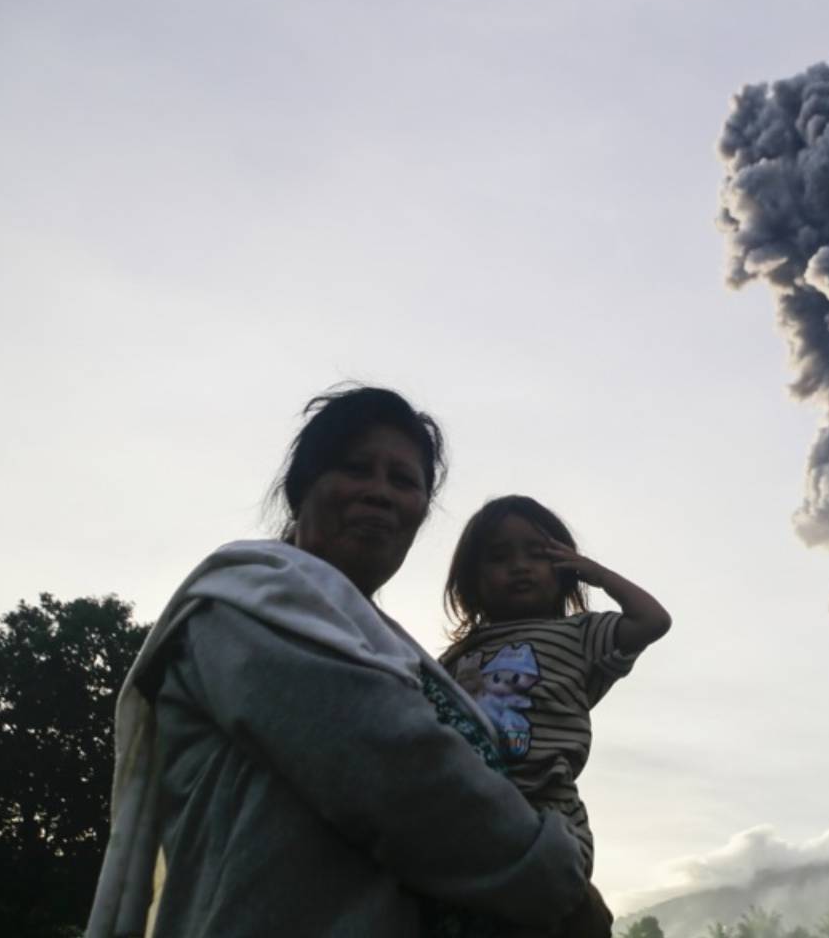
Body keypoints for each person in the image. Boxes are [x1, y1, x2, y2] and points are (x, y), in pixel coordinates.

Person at [87, 387, 609, 938]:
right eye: (357, 469)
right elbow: (398, 772)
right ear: (302, 487)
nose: (380, 493)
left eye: (403, 481)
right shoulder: (249, 600)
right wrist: (562, 890)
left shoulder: (398, 651)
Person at [440, 495, 673, 878]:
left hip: (547, 812)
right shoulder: (454, 657)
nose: (520, 567)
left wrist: (595, 573)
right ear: (471, 579)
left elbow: (652, 620)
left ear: (565, 569)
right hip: (468, 809)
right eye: (499, 557)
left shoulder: (580, 634)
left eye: (538, 554)